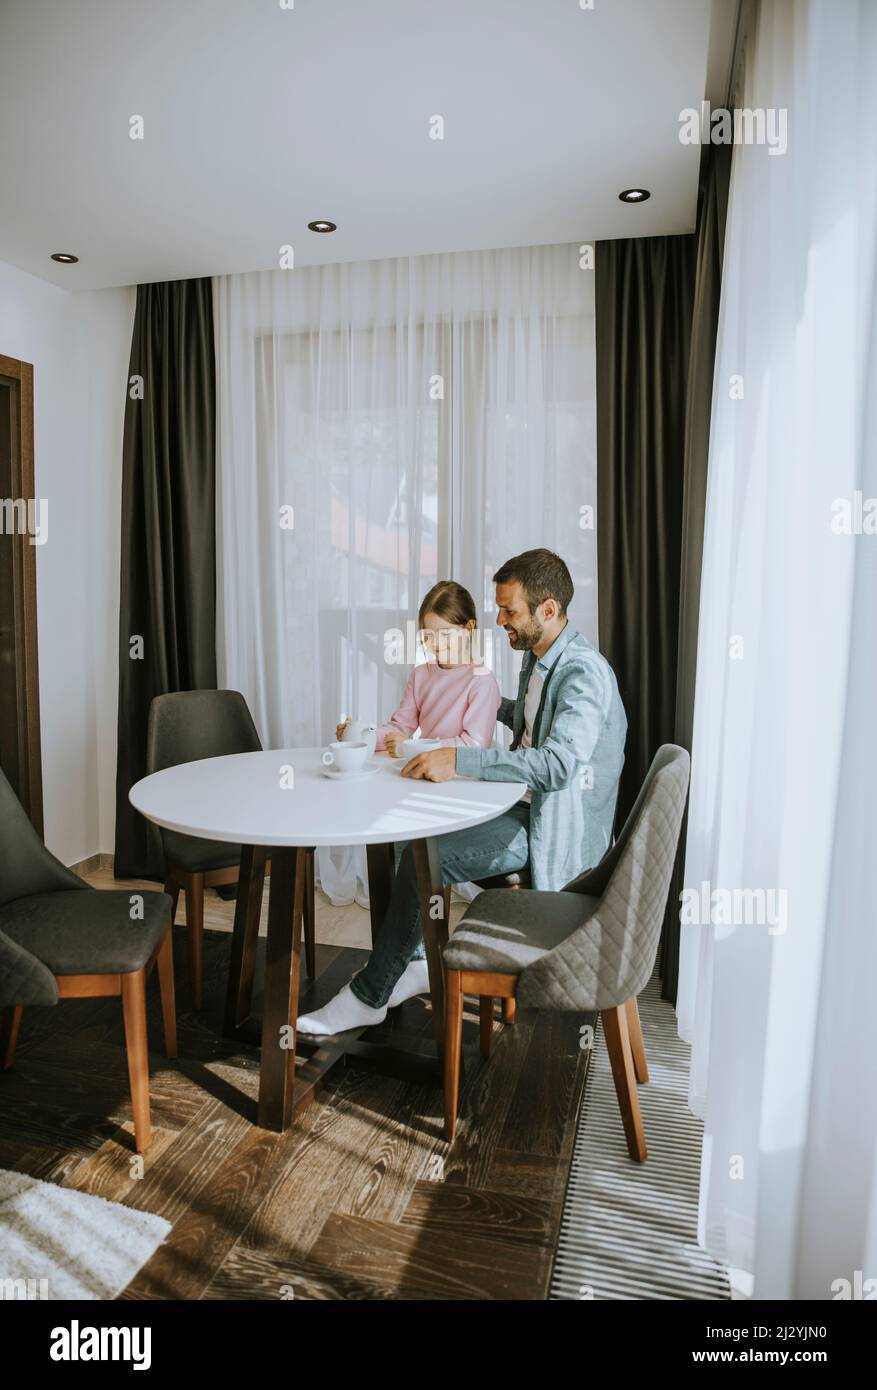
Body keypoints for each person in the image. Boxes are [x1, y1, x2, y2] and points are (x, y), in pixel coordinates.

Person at [297, 548, 627, 1036]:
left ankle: (370, 995)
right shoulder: (538, 663)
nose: (501, 620)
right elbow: (533, 724)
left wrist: (460, 756)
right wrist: (490, 706)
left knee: (420, 857)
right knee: (410, 843)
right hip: (528, 809)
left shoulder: (583, 672)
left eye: (510, 610)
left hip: (554, 832)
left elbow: (557, 765)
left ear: (549, 610)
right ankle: (409, 966)